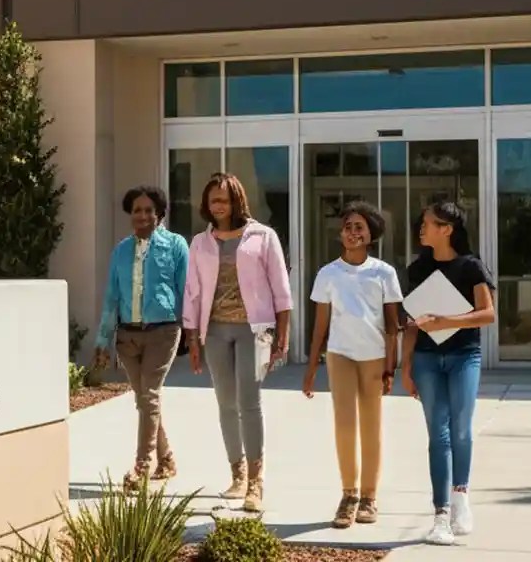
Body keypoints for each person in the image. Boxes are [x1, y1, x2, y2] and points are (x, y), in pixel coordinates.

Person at [183, 172, 292, 512]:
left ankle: (256, 482)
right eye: (213, 199)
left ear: (237, 201)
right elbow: (192, 292)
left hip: (252, 330)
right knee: (225, 403)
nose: (219, 205)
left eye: (225, 199)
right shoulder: (200, 242)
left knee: (249, 401)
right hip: (214, 330)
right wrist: (192, 339)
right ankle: (237, 473)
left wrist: (283, 335)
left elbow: (281, 289)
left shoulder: (262, 236)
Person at [302, 201, 402, 529]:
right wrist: (312, 367)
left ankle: (370, 497)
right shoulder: (328, 274)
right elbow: (320, 325)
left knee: (371, 425)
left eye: (359, 226)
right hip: (340, 354)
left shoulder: (383, 272)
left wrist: (391, 366)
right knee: (344, 425)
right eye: (347, 226)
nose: (352, 231)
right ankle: (349, 495)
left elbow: (392, 325)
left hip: (373, 356)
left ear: (371, 234)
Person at [401, 201, 496, 546]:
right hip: (426, 358)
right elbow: (412, 321)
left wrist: (447, 321)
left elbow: (488, 314)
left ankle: (461, 498)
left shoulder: (471, 267)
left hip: (464, 356)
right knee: (437, 436)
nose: (421, 228)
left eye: (428, 223)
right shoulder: (417, 269)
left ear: (447, 229)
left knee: (461, 429)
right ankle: (440, 514)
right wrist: (406, 365)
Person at [93, 185, 190, 493]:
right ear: (130, 214)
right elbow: (111, 298)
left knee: (148, 397)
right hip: (127, 336)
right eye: (137, 210)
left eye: (149, 210)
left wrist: (193, 335)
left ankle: (142, 466)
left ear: (159, 213)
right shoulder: (121, 251)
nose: (143, 215)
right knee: (146, 400)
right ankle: (167, 459)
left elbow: (186, 290)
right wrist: (102, 340)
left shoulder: (175, 246)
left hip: (163, 332)